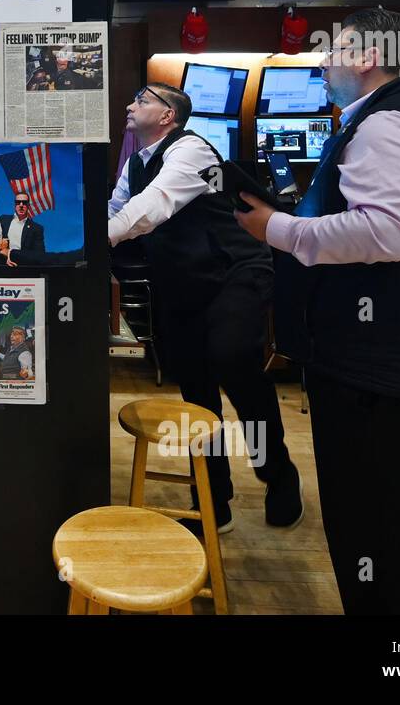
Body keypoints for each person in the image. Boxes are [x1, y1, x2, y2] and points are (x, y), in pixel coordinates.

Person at [234, 8, 400, 614]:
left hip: (382, 378)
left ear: (369, 56)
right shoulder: (390, 117)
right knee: (385, 543)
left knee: (379, 544)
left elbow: (388, 233)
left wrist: (280, 229)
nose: (322, 61)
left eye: (335, 50)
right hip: (386, 371)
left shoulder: (388, 123)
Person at [108, 82, 302, 534]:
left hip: (234, 271)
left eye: (140, 99)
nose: (129, 105)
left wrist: (102, 239)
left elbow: (152, 208)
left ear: (168, 114)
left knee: (234, 362)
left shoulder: (191, 149)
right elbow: (118, 209)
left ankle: (279, 476)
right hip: (182, 282)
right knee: (195, 387)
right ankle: (213, 500)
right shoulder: (135, 163)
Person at [0, 193, 45, 262]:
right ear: (15, 205)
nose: (21, 205)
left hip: (22, 267)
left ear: (28, 206)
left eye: (24, 203)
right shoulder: (3, 220)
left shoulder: (36, 228)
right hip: (2, 264)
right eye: (18, 202)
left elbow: (39, 254)